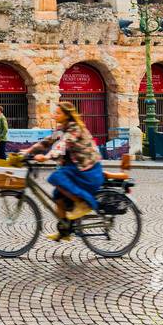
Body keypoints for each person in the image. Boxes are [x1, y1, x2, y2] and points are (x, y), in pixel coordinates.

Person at [19, 101, 105, 242]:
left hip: (87, 170)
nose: (54, 115)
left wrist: (46, 156)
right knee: (57, 197)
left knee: (56, 177)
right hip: (74, 169)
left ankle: (83, 203)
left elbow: (63, 144)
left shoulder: (75, 128)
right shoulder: (61, 129)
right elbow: (46, 142)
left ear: (66, 115)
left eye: (58, 113)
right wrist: (28, 151)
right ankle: (65, 231)